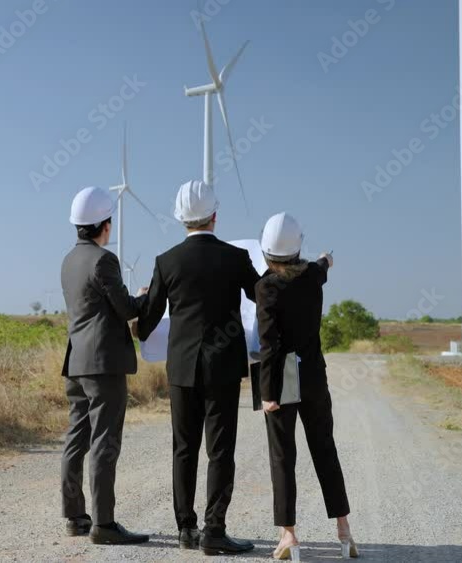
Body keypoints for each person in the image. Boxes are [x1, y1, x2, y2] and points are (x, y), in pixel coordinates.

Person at [137, 180, 260, 555]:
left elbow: (145, 324)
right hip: (223, 367)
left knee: (184, 449)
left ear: (180, 219)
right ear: (215, 216)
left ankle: (185, 530)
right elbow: (263, 296)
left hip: (182, 369)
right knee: (220, 450)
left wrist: (142, 301)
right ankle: (214, 531)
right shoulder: (236, 258)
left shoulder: (166, 261)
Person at [255, 212, 357, 560]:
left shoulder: (266, 286)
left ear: (267, 252)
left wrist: (267, 393)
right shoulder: (313, 276)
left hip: (283, 373)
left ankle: (289, 536)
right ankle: (344, 531)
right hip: (313, 373)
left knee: (284, 456)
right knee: (325, 449)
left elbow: (269, 344)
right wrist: (327, 258)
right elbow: (322, 264)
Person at [59, 186, 149, 545]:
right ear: (105, 226)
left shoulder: (68, 260)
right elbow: (126, 309)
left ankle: (75, 516)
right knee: (105, 441)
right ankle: (105, 524)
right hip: (103, 364)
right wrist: (143, 298)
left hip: (76, 362)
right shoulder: (103, 261)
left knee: (76, 438)